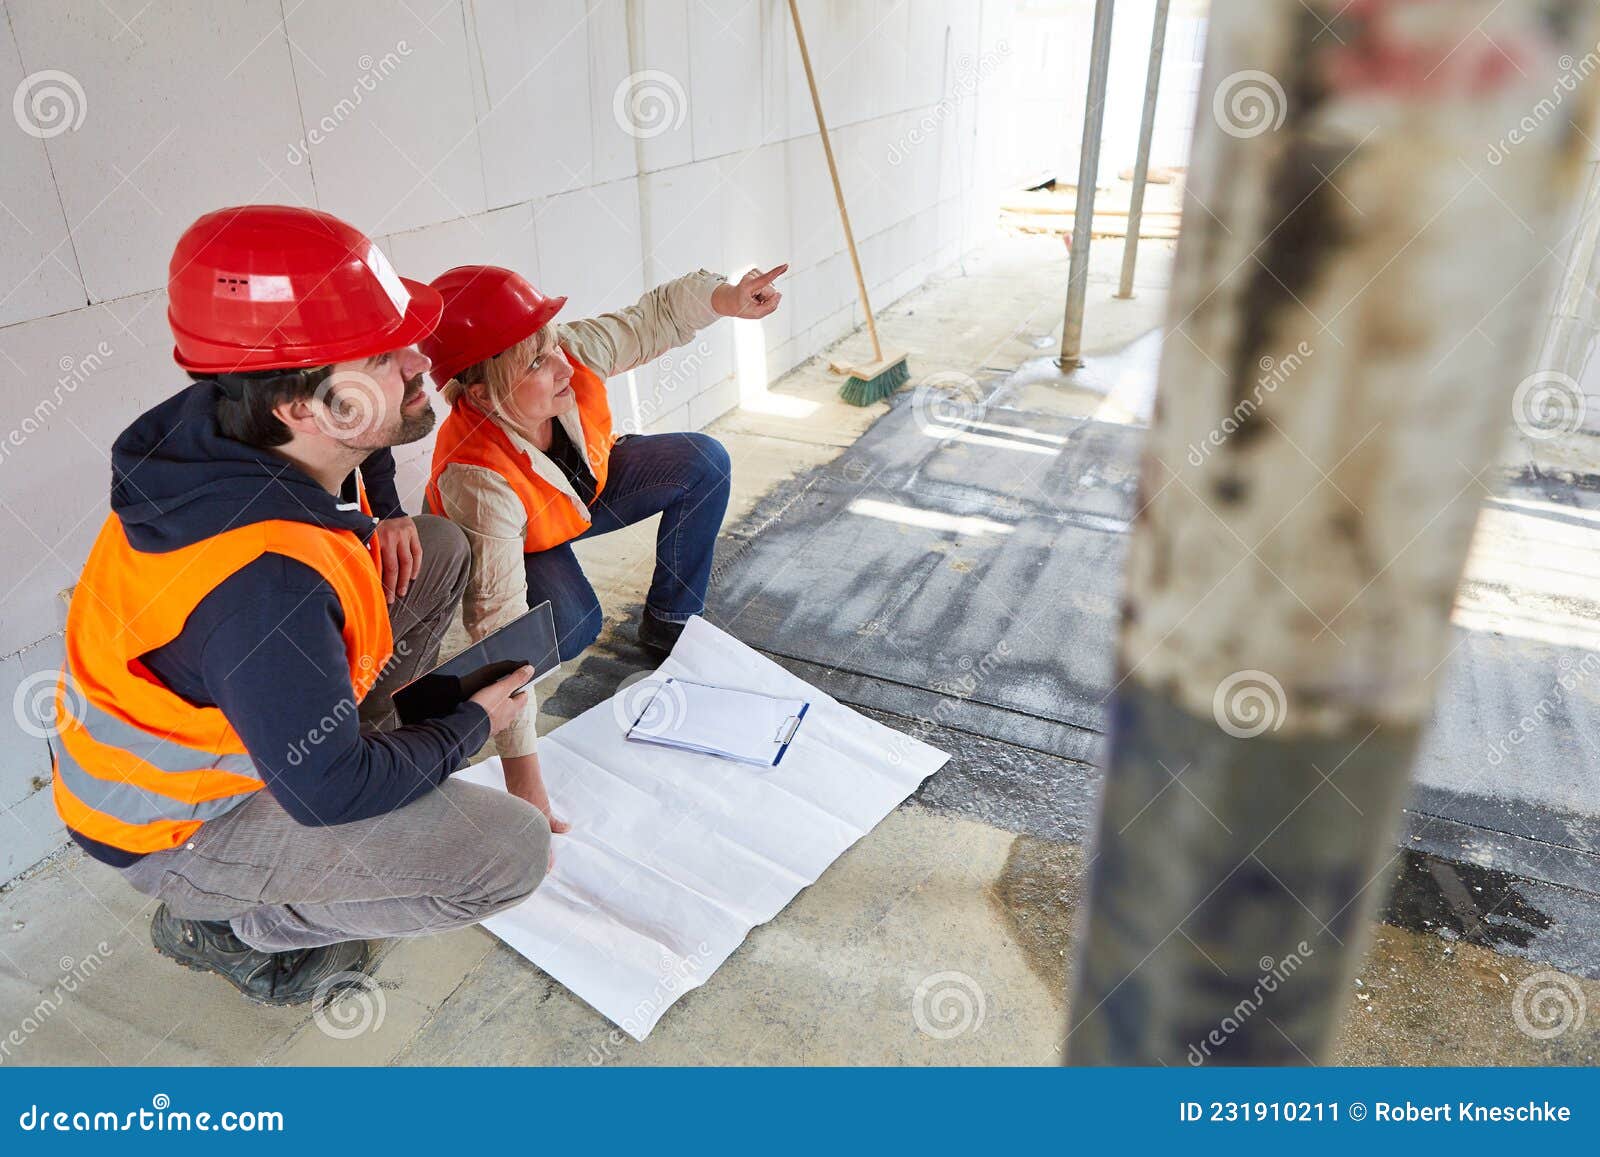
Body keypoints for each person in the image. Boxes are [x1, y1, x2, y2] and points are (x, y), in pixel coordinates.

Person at [50, 205, 547, 1007]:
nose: (420, 360)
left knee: (438, 548)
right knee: (510, 851)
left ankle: (333, 766)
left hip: (245, 717)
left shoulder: (224, 432)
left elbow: (349, 514)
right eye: (388, 357)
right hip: (174, 824)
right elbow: (329, 789)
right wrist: (468, 727)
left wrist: (381, 511)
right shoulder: (262, 588)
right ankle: (235, 925)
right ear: (305, 408)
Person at [420, 262, 785, 831]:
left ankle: (669, 622)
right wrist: (526, 786)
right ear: (482, 393)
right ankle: (453, 704)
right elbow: (499, 624)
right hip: (521, 540)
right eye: (536, 361)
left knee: (703, 461)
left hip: (581, 492)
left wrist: (725, 297)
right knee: (571, 627)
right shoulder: (477, 477)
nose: (563, 363)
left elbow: (653, 317)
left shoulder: (569, 352)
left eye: (550, 344)